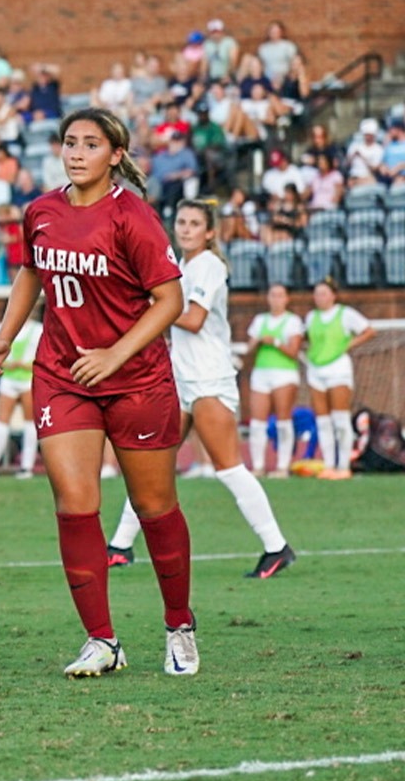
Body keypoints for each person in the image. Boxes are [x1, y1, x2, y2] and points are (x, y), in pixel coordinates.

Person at [0, 107, 195, 679]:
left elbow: (169, 302)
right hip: (61, 373)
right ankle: (102, 641)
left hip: (137, 378)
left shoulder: (134, 217)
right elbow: (31, 273)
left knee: (154, 507)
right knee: (75, 506)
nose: (76, 153)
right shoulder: (42, 211)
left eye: (90, 144)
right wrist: (5, 337)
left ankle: (179, 624)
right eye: (69, 142)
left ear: (114, 156)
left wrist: (115, 355)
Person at [106, 201, 296, 578]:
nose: (187, 229)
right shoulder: (181, 266)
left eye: (195, 224)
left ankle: (276, 547)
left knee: (228, 468)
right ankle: (119, 546)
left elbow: (192, 320)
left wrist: (152, 305)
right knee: (152, 465)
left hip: (209, 379)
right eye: (182, 222)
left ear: (210, 232)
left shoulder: (208, 265)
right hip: (181, 380)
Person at [301, 280, 373, 480]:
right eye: (317, 294)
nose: (320, 298)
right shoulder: (310, 317)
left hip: (337, 368)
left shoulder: (345, 314)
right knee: (323, 421)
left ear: (333, 295)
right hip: (316, 368)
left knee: (340, 418)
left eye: (324, 293)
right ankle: (329, 463)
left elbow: (368, 331)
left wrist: (349, 345)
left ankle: (343, 465)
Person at [244, 284, 304, 478]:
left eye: (280, 295)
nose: (276, 299)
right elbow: (249, 349)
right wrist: (256, 342)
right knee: (257, 423)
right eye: (273, 295)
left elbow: (294, 352)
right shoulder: (260, 320)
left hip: (284, 374)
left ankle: (282, 465)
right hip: (261, 372)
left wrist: (276, 342)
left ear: (287, 299)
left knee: (283, 420)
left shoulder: (292, 321)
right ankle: (258, 465)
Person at [0, 307, 42, 479]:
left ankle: (26, 467)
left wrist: (25, 365)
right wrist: (6, 364)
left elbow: (42, 357)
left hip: (28, 380)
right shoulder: (2, 328)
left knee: (30, 423)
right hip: (8, 380)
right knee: (1, 422)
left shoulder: (38, 330)